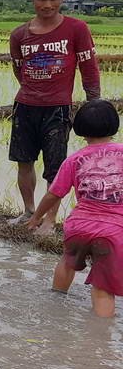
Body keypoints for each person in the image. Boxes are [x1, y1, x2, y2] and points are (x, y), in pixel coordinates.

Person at [8, 0, 100, 233]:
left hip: (57, 108)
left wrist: (95, 104)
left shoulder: (76, 29)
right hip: (25, 106)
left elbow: (89, 68)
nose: (47, 5)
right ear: (33, 0)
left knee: (55, 166)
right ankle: (28, 211)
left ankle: (49, 219)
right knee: (23, 160)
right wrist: (31, 89)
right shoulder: (19, 35)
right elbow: (20, 70)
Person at [26, 100, 123, 318]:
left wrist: (36, 218)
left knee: (68, 260)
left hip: (79, 226)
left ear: (79, 128)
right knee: (102, 288)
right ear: (114, 125)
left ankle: (56, 301)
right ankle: (99, 336)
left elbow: (54, 194)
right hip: (112, 231)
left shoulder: (74, 160)